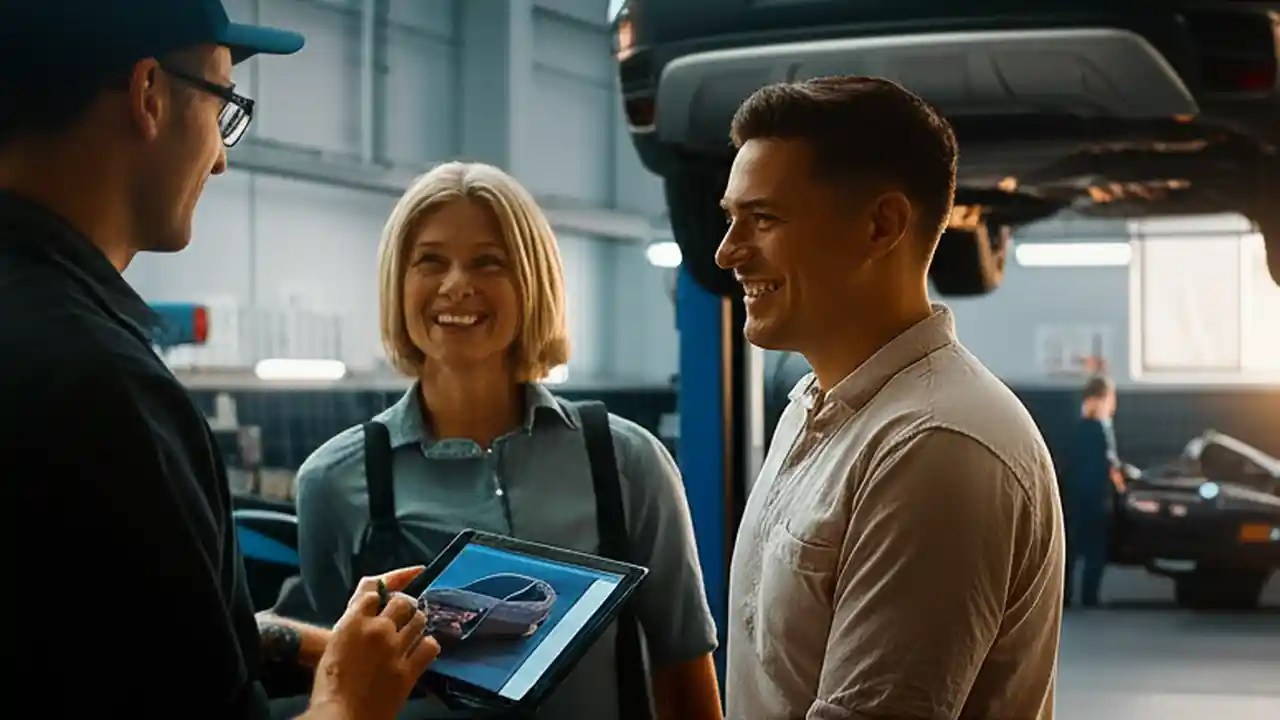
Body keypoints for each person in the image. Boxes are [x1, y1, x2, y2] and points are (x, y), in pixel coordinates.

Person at [0, 2, 438, 718]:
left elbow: (90, 640)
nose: (223, 155)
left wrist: (299, 646)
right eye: (224, 106)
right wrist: (350, 699)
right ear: (149, 95)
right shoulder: (105, 391)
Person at [292, 161, 723, 720]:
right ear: (399, 282)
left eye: (487, 262)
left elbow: (683, 666)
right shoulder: (333, 481)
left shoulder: (626, 463)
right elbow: (332, 682)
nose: (456, 285)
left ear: (531, 282)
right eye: (430, 261)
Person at [714, 76, 1066, 719]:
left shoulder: (935, 446)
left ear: (882, 225)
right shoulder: (813, 409)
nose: (727, 252)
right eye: (731, 219)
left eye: (762, 219)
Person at [1062, 375, 1124, 608]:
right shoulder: (1101, 428)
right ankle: (1089, 596)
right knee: (1095, 550)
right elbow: (1110, 465)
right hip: (1096, 497)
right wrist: (1120, 487)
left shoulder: (1076, 428)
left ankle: (1066, 596)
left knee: (1072, 549)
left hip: (1075, 496)